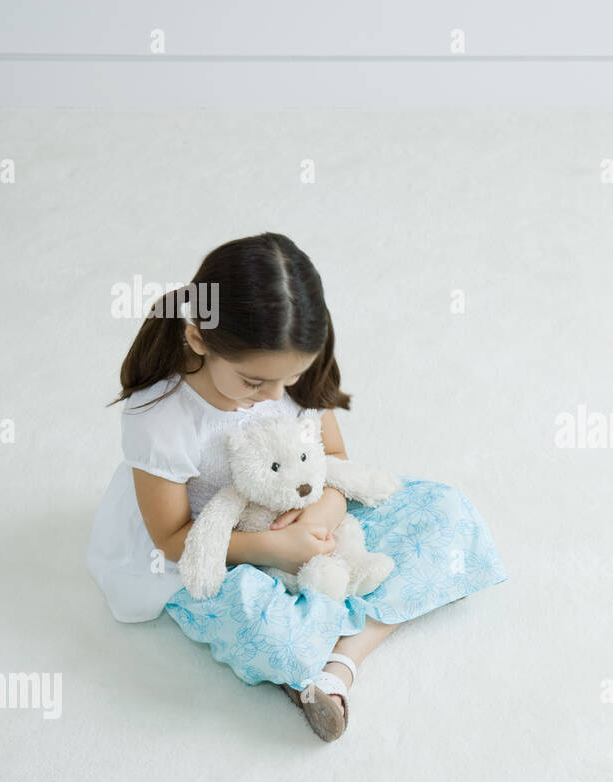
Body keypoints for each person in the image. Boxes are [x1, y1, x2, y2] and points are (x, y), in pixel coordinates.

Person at [86, 232, 507, 741]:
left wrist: (321, 518)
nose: (276, 396)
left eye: (291, 379)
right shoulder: (163, 418)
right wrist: (273, 549)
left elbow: (332, 461)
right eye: (254, 383)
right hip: (216, 547)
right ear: (198, 338)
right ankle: (314, 641)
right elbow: (173, 538)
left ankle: (335, 667)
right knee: (258, 622)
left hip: (305, 519)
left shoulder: (290, 370)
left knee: (447, 513)